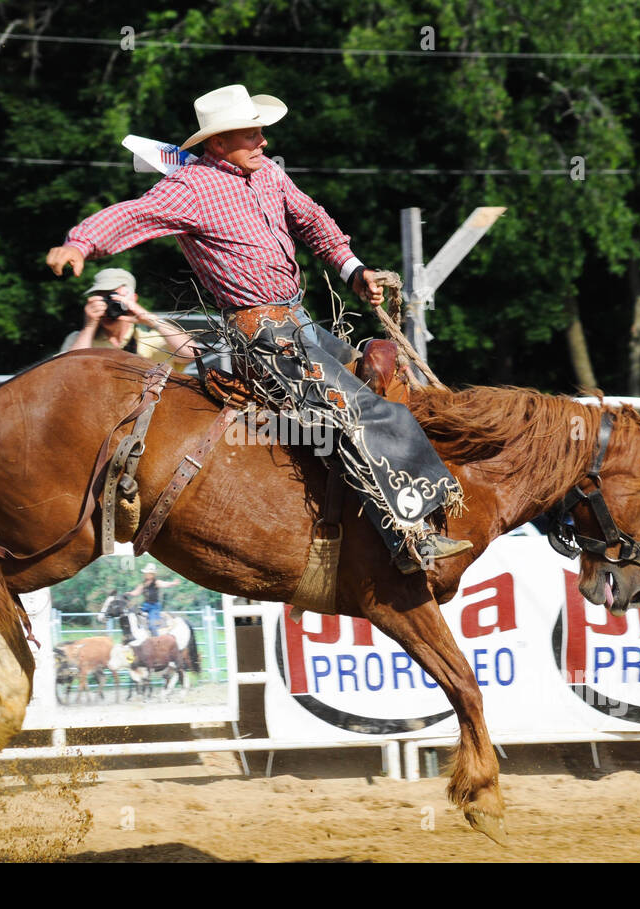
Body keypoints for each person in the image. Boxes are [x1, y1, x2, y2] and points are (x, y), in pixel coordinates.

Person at [47, 84, 469, 574]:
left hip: (300, 322)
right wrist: (79, 244)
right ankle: (409, 537)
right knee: (361, 411)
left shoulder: (268, 173)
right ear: (219, 141)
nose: (264, 141)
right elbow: (132, 215)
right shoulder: (189, 187)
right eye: (252, 133)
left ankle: (378, 518)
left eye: (261, 132)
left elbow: (312, 220)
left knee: (384, 375)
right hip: (263, 340)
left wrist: (355, 270)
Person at [61, 267, 199, 369]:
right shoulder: (79, 339)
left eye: (115, 298)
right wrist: (89, 326)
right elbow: (71, 370)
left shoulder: (151, 340)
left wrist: (150, 319)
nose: (108, 305)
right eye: (102, 298)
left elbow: (192, 354)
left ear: (133, 299)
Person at [128, 563, 178, 633]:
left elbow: (164, 584)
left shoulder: (156, 582)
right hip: (145, 606)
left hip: (154, 607)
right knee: (134, 615)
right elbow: (137, 592)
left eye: (147, 573)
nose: (145, 574)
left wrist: (172, 583)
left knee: (152, 625)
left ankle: (156, 639)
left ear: (152, 574)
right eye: (146, 573)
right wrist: (129, 593)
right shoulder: (143, 584)